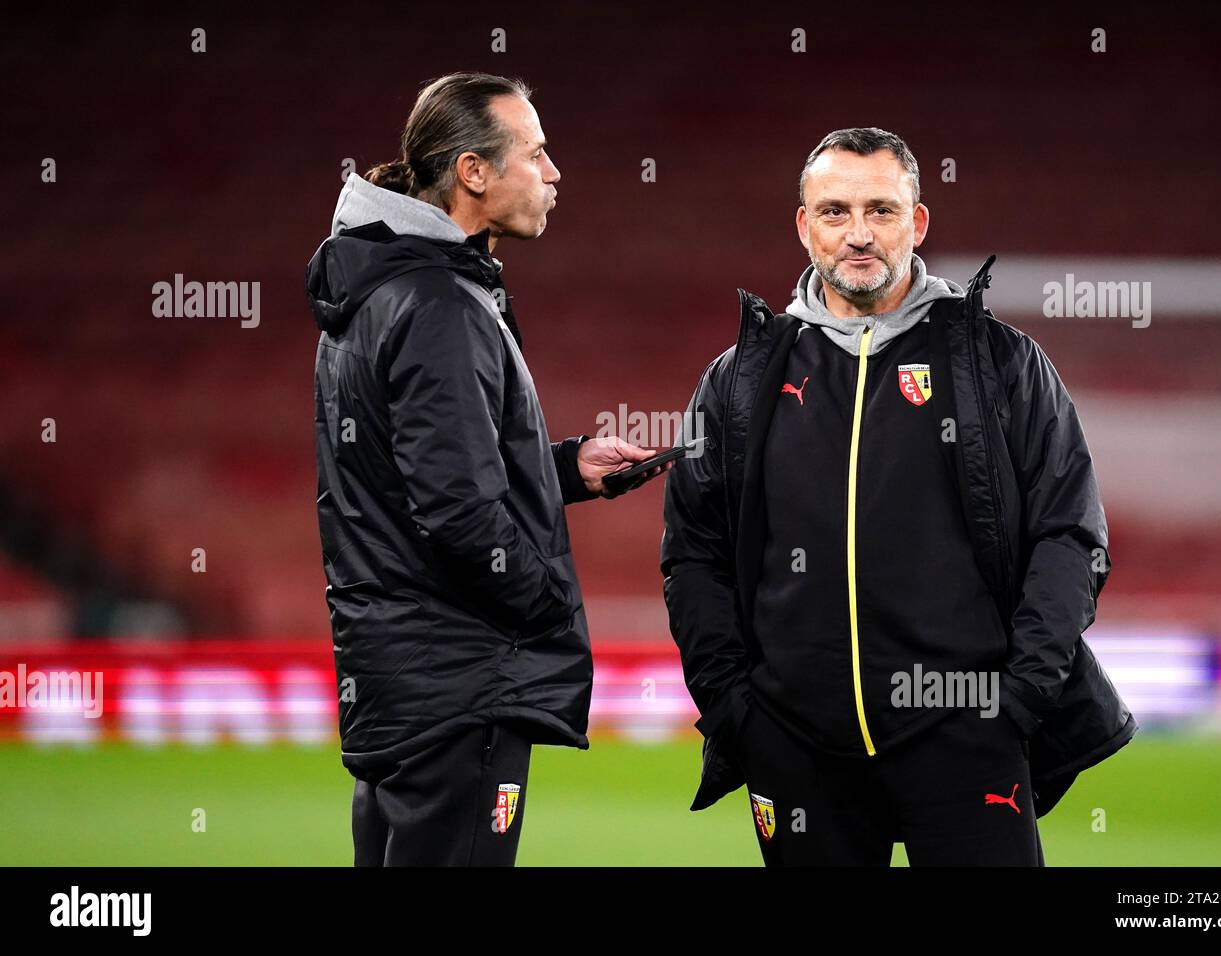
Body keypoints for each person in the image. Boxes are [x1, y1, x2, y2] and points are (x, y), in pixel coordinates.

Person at [660, 127, 1138, 866]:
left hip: (967, 737)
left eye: (881, 211)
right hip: (796, 748)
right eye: (835, 211)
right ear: (804, 225)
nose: (858, 235)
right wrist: (735, 709)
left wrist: (1018, 699)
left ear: (916, 223)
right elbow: (694, 553)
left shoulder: (999, 362)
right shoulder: (740, 379)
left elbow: (1070, 533)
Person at [307, 72, 660, 866]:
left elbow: (409, 471)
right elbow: (460, 514)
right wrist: (546, 608)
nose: (554, 172)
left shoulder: (379, 288)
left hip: (403, 678)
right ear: (473, 173)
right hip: (460, 682)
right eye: (535, 153)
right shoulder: (438, 304)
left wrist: (565, 470)